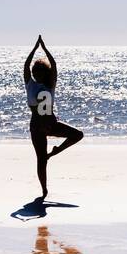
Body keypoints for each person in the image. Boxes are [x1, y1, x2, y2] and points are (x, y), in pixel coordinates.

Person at [23, 35, 83, 198]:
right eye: (35, 73)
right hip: (36, 127)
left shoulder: (50, 85)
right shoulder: (30, 84)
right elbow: (26, 65)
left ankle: (56, 151)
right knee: (41, 159)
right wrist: (35, 49)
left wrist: (45, 49)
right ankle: (44, 190)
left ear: (45, 73)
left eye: (39, 72)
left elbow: (54, 65)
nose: (36, 75)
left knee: (78, 135)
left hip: (51, 123)